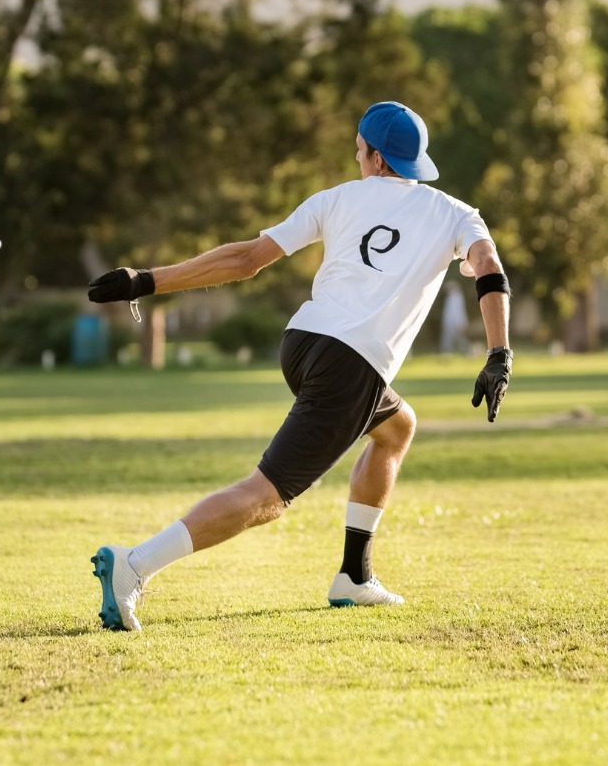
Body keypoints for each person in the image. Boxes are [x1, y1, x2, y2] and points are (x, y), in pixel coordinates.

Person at [85, 101, 513, 632]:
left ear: (377, 158)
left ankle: (354, 577)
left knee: (397, 429)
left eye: (359, 151)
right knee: (266, 497)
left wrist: (145, 279)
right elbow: (488, 269)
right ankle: (135, 565)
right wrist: (499, 353)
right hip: (352, 364)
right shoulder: (456, 213)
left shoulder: (334, 199)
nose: (357, 160)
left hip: (303, 343)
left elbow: (245, 260)